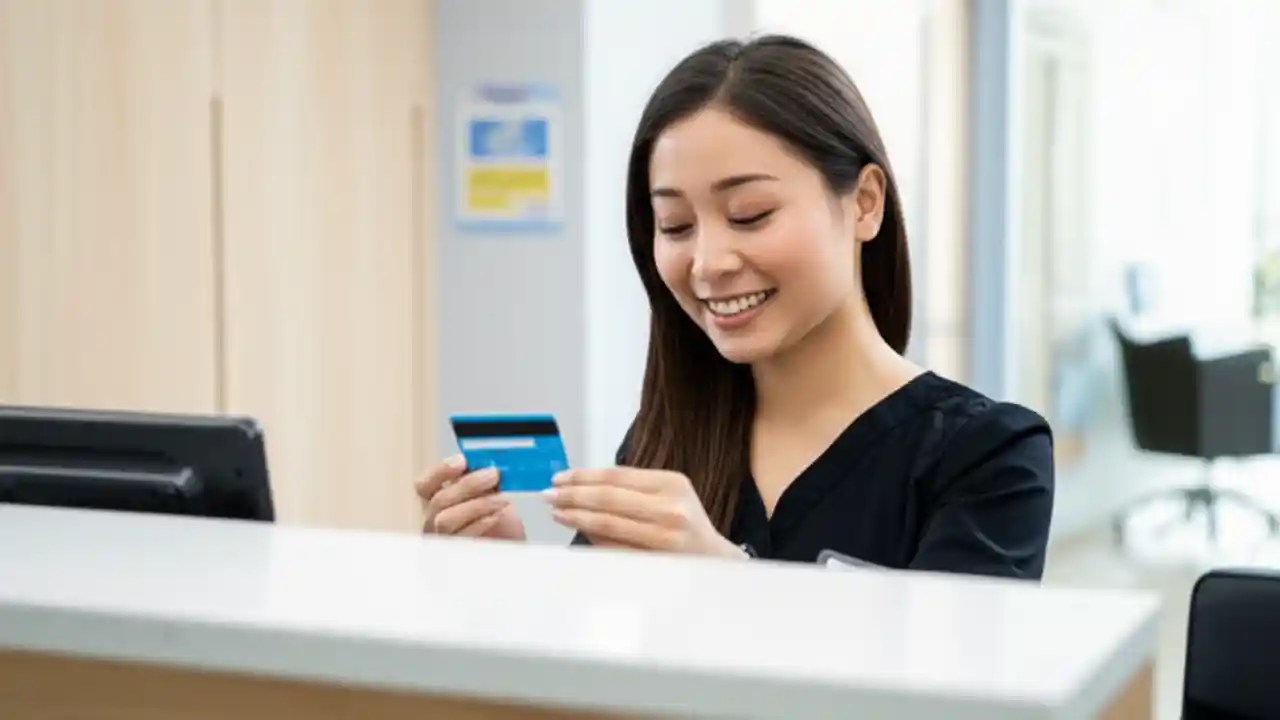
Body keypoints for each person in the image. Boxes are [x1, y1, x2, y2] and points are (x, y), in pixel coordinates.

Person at [416, 35, 1054, 579]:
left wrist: (726, 581)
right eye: (674, 224)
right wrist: (503, 575)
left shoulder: (990, 456)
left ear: (864, 203)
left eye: (750, 215)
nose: (707, 262)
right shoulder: (664, 438)